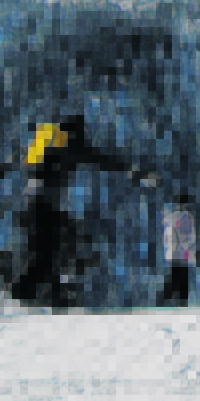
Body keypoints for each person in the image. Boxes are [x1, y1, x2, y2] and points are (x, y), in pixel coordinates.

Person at [14, 115, 156, 307]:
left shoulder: (49, 147)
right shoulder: (70, 146)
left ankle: (40, 293)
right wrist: (133, 170)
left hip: (31, 200)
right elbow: (100, 159)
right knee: (49, 249)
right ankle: (24, 293)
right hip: (44, 203)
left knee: (48, 247)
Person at [158, 192, 198, 306]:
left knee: (174, 281)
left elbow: (166, 240)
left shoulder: (170, 219)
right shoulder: (186, 217)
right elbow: (189, 237)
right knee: (182, 282)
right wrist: (188, 247)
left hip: (172, 254)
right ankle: (177, 304)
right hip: (182, 254)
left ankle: (163, 302)